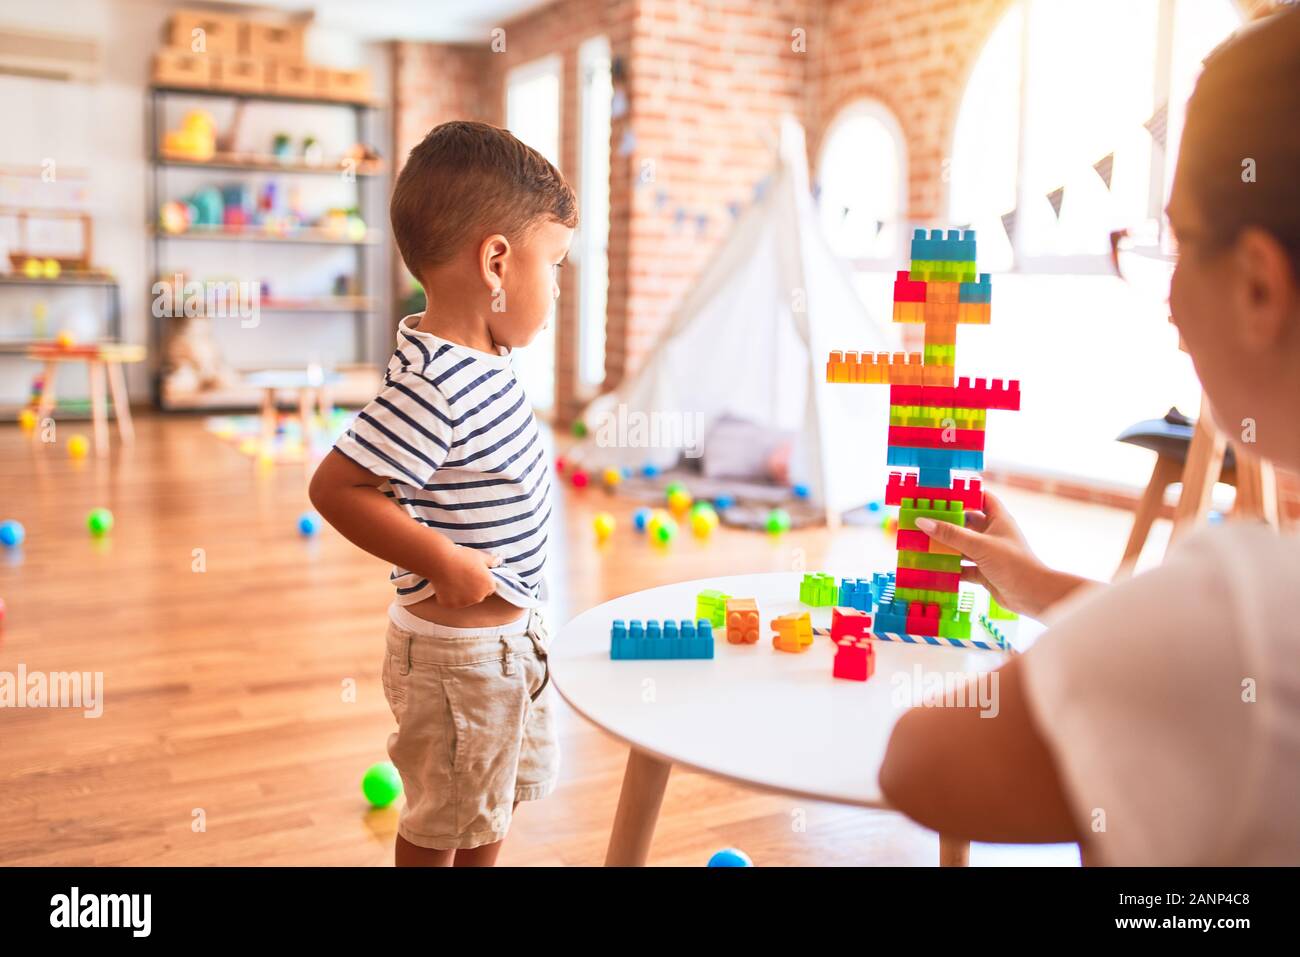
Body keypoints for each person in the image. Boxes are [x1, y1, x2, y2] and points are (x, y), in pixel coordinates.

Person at [878, 7, 1300, 865]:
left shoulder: (1250, 608)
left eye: (1175, 243)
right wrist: (1038, 585)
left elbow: (920, 761)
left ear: (1259, 286)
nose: (1169, 297)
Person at [309, 121, 575, 865]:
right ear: (496, 261)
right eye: (553, 265)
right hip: (460, 659)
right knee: (441, 825)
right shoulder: (435, 382)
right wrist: (443, 559)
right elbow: (338, 486)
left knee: (485, 810)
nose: (556, 289)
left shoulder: (482, 356)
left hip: (507, 644)